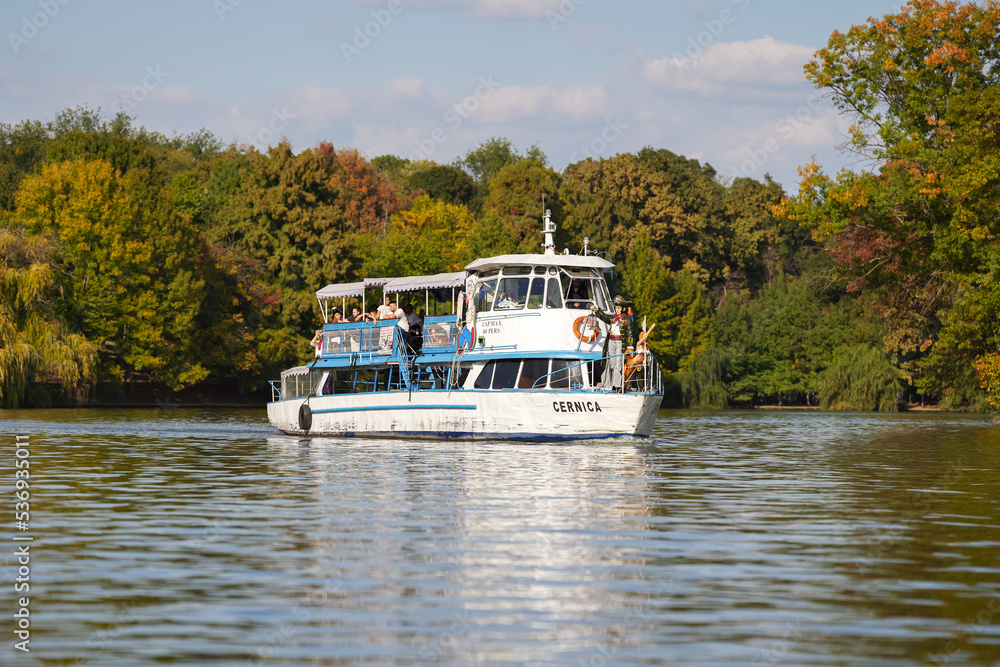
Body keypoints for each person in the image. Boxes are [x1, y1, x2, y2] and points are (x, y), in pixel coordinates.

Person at [591, 295, 635, 392]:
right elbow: (604, 317)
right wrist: (597, 310)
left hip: (620, 342)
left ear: (623, 308)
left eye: (619, 307)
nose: (618, 309)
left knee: (618, 361)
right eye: (616, 307)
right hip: (611, 341)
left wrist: (630, 347)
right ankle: (608, 382)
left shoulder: (627, 319)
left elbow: (630, 333)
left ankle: (617, 383)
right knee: (610, 361)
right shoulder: (612, 318)